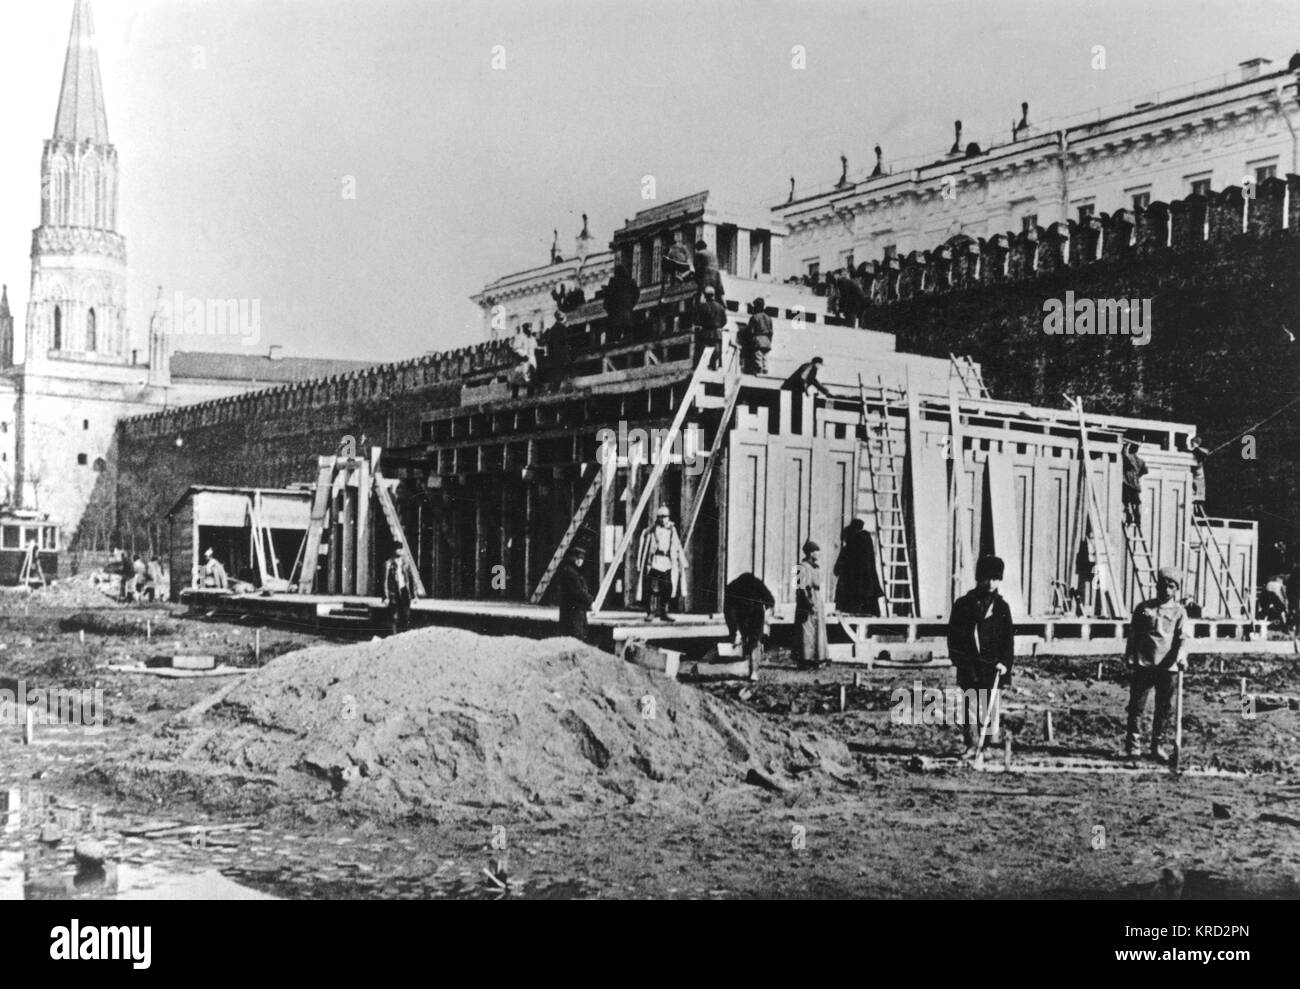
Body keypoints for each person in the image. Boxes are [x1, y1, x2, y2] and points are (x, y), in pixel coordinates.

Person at [947, 555, 1014, 759]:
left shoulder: (1001, 608)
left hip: (992, 666)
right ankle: (971, 744)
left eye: (995, 579)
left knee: (990, 705)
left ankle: (986, 747)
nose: (991, 583)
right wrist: (958, 660)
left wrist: (1005, 662)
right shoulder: (963, 605)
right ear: (979, 578)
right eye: (987, 578)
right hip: (970, 664)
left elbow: (1007, 638)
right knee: (970, 705)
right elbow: (954, 636)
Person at [1124, 566, 1190, 762]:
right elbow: (1134, 633)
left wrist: (1182, 656)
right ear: (1157, 585)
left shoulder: (1180, 612)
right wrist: (1130, 654)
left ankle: (1157, 745)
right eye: (1163, 585)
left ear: (1176, 589)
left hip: (1167, 667)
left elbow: (1184, 638)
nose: (1166, 590)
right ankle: (1133, 745)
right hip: (1144, 664)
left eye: (1171, 586)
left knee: (1164, 708)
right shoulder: (1144, 609)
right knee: (1136, 706)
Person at [636, 506, 686, 621]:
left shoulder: (672, 530)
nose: (662, 519)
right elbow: (645, 545)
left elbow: (677, 546)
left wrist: (681, 561)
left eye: (664, 517)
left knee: (667, 588)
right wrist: (640, 563)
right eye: (660, 517)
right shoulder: (652, 530)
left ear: (668, 518)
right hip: (654, 561)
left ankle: (664, 612)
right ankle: (651, 612)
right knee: (650, 588)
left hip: (666, 562)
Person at [724, 572, 775, 680]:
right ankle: (753, 672)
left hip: (749, 615)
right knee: (754, 642)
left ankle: (751, 670)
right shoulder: (756, 583)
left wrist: (734, 630)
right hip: (753, 614)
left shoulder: (731, 588)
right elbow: (770, 601)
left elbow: (729, 613)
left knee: (752, 642)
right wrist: (768, 612)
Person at [833, 518, 884, 616]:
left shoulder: (850, 544)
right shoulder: (867, 542)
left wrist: (838, 568)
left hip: (851, 584)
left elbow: (838, 567)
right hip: (867, 583)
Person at [793, 540, 830, 669]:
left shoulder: (815, 567)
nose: (818, 554)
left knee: (818, 629)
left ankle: (818, 658)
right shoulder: (801, 567)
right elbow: (801, 588)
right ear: (809, 553)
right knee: (806, 630)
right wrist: (808, 603)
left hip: (817, 599)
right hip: (807, 601)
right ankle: (805, 659)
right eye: (815, 551)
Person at [553, 545, 593, 642]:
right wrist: (590, 600)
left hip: (573, 610)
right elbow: (578, 591)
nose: (580, 561)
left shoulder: (570, 571)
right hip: (574, 611)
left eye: (581, 559)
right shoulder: (571, 573)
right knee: (577, 635)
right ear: (573, 559)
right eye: (577, 558)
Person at [689, 286, 729, 370]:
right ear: (714, 295)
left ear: (705, 296)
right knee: (716, 354)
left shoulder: (701, 307)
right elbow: (724, 321)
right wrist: (718, 325)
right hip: (717, 334)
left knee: (702, 354)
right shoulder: (720, 307)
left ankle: (700, 370)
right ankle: (714, 368)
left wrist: (703, 324)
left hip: (705, 333)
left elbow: (695, 320)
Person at [602, 264, 640, 342]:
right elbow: (636, 295)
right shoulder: (630, 283)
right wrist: (630, 305)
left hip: (615, 316)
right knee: (628, 336)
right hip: (627, 315)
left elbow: (607, 301)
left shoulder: (613, 283)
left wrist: (609, 308)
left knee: (615, 337)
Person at [739, 297, 773, 374]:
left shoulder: (754, 317)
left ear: (756, 306)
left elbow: (751, 331)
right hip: (767, 341)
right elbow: (771, 332)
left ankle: (759, 372)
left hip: (758, 340)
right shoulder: (769, 318)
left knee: (758, 359)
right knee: (765, 359)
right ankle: (765, 372)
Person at [382, 549, 412, 634]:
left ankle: (404, 635)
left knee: (406, 614)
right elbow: (385, 581)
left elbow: (410, 580)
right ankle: (394, 634)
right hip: (393, 592)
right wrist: (385, 596)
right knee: (394, 616)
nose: (401, 551)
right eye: (398, 549)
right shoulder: (388, 564)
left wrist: (413, 595)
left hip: (404, 591)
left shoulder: (406, 564)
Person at [509, 323, 538, 398]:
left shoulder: (533, 338)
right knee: (517, 378)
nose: (529, 329)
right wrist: (523, 355)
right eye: (527, 328)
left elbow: (535, 347)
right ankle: (514, 396)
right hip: (521, 360)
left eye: (530, 328)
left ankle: (530, 396)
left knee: (531, 378)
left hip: (531, 360)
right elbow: (516, 349)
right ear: (524, 329)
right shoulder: (519, 337)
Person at [1122, 440, 1148, 524]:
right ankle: (1138, 519)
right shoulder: (1141, 461)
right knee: (1137, 502)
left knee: (1126, 501)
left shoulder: (1130, 458)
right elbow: (1145, 471)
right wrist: (1138, 475)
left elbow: (1124, 454)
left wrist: (1126, 445)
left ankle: (1129, 518)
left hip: (1128, 483)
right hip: (1136, 485)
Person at [1188, 436, 1209, 512]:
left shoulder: (1198, 451)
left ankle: (1198, 509)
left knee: (1198, 493)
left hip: (1198, 474)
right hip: (1194, 474)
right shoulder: (1194, 451)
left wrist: (1196, 449)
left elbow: (1205, 454)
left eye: (1192, 443)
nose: (1191, 444)